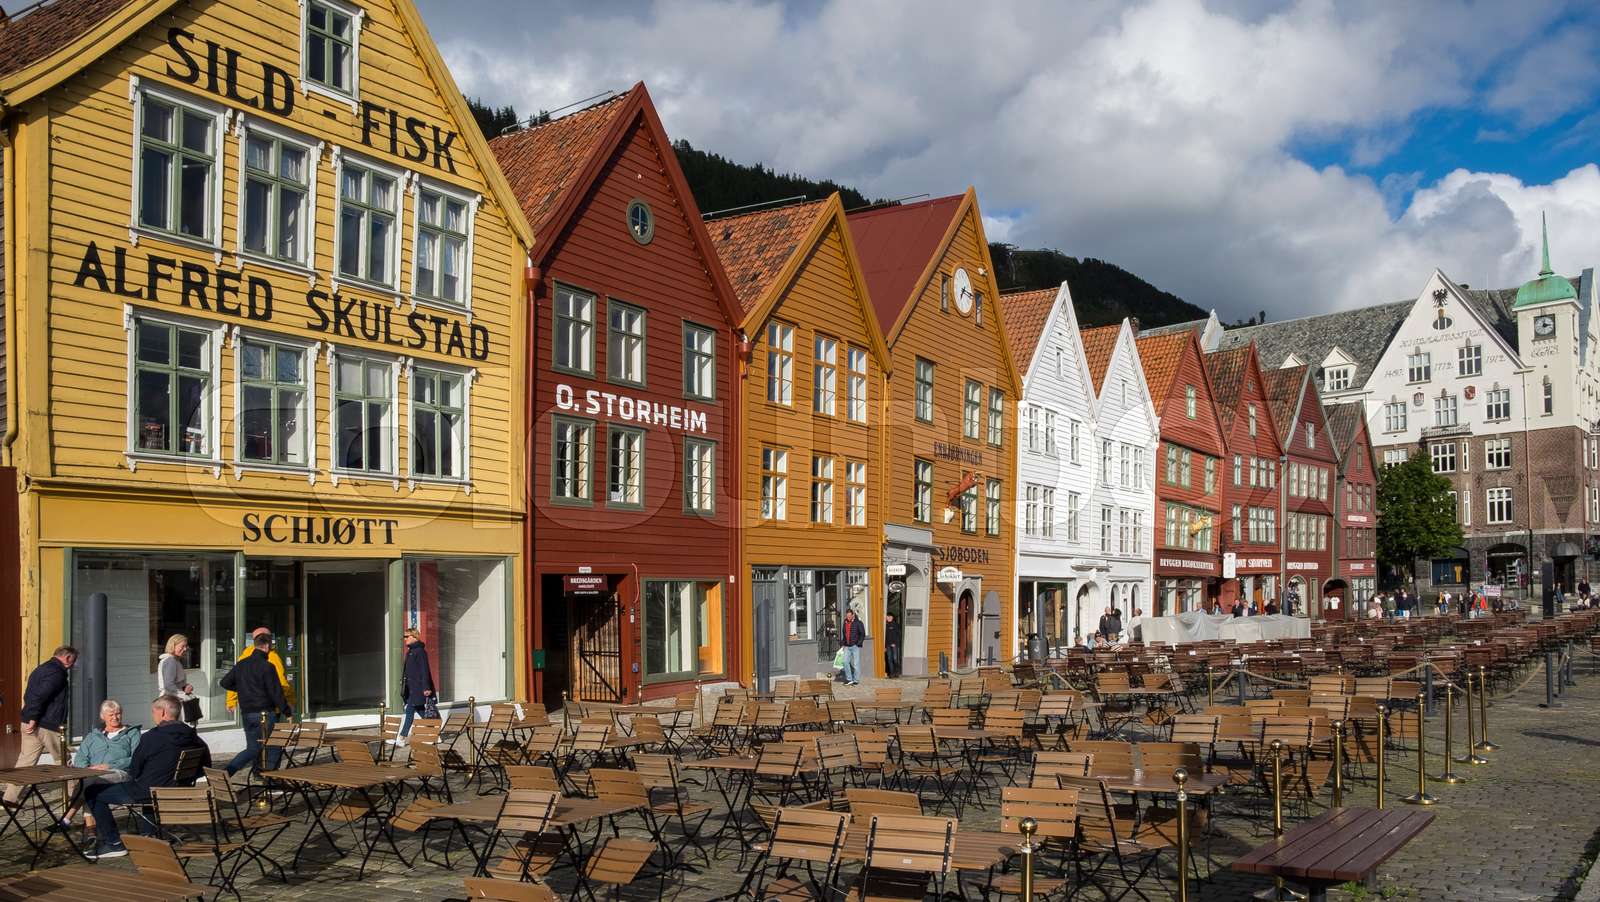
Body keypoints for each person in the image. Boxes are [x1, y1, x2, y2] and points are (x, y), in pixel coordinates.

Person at [81, 695, 210, 860]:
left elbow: (135, 769)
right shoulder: (194, 737)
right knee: (152, 783)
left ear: (162, 712)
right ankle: (149, 834)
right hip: (179, 790)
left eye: (153, 711)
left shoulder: (152, 737)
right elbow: (205, 767)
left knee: (92, 793)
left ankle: (114, 843)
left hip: (149, 792)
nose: (152, 715)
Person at [4, 645, 78, 806]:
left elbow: (28, 694)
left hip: (31, 722)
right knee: (64, 760)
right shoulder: (57, 673)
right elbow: (40, 696)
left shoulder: (41, 669)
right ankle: (75, 797)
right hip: (46, 725)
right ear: (67, 658)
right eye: (74, 661)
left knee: (26, 762)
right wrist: (33, 717)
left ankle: (9, 799)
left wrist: (30, 717)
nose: (74, 665)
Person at [66, 700, 141, 843]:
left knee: (88, 782)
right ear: (103, 717)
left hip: (121, 773)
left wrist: (108, 766)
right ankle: (90, 829)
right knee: (88, 782)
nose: (115, 717)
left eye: (118, 713)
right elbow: (81, 758)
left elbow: (136, 759)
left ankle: (71, 820)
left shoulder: (132, 733)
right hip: (93, 775)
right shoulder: (93, 736)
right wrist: (86, 769)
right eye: (111, 714)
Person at [221, 631, 292, 776]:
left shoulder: (241, 664)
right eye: (270, 647)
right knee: (273, 746)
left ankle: (228, 773)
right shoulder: (267, 666)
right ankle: (269, 778)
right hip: (265, 712)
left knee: (253, 749)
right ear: (266, 646)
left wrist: (243, 689)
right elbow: (275, 692)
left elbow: (225, 682)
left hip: (247, 713)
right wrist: (287, 711)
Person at [225, 626, 295, 718]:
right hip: (269, 707)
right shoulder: (272, 657)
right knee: (268, 731)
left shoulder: (244, 656)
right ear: (268, 641)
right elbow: (280, 683)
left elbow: (236, 680)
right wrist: (289, 701)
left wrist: (231, 701)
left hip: (248, 708)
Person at [397, 627, 435, 744]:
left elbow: (424, 670)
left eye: (407, 636)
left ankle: (402, 737)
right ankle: (434, 731)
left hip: (418, 688)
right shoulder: (410, 652)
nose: (405, 639)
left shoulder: (420, 651)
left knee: (410, 711)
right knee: (420, 710)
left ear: (414, 637)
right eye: (404, 637)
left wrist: (426, 687)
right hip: (411, 688)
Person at [158, 634, 199, 727]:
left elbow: (175, 682)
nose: (185, 649)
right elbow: (168, 685)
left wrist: (185, 686)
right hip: (171, 703)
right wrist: (184, 694)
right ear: (173, 645)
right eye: (182, 646)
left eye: (186, 646)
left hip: (174, 701)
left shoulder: (174, 660)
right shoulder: (170, 661)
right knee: (174, 731)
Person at [839, 608, 866, 686]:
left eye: (850, 616)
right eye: (847, 616)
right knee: (845, 662)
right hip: (847, 646)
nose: (848, 617)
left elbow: (862, 634)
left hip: (855, 646)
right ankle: (849, 679)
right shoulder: (845, 623)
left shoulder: (858, 623)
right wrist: (843, 644)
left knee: (856, 664)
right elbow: (844, 634)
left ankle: (856, 680)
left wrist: (858, 643)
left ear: (853, 615)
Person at [883, 613, 902, 678]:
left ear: (891, 617)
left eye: (888, 617)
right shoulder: (886, 625)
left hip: (894, 645)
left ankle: (897, 672)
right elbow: (885, 637)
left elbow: (898, 635)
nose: (887, 618)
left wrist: (895, 643)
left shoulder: (895, 625)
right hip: (888, 645)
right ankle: (892, 673)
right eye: (886, 617)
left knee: (895, 658)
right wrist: (885, 646)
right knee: (889, 659)